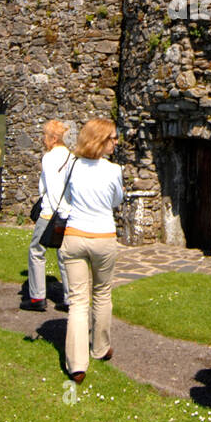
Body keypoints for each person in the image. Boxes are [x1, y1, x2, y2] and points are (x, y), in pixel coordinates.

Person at [61, 119, 123, 384]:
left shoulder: (71, 166)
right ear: (100, 140)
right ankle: (99, 348)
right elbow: (117, 200)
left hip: (74, 235)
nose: (116, 142)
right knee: (102, 292)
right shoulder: (113, 171)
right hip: (103, 236)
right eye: (113, 138)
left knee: (77, 300)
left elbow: (65, 200)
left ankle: (76, 364)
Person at [22, 120, 74, 314]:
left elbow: (52, 189)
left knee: (36, 250)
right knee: (64, 254)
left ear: (53, 138)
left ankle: (37, 297)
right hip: (69, 212)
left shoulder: (50, 157)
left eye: (45, 135)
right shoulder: (71, 157)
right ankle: (70, 298)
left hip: (51, 212)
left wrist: (56, 211)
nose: (43, 139)